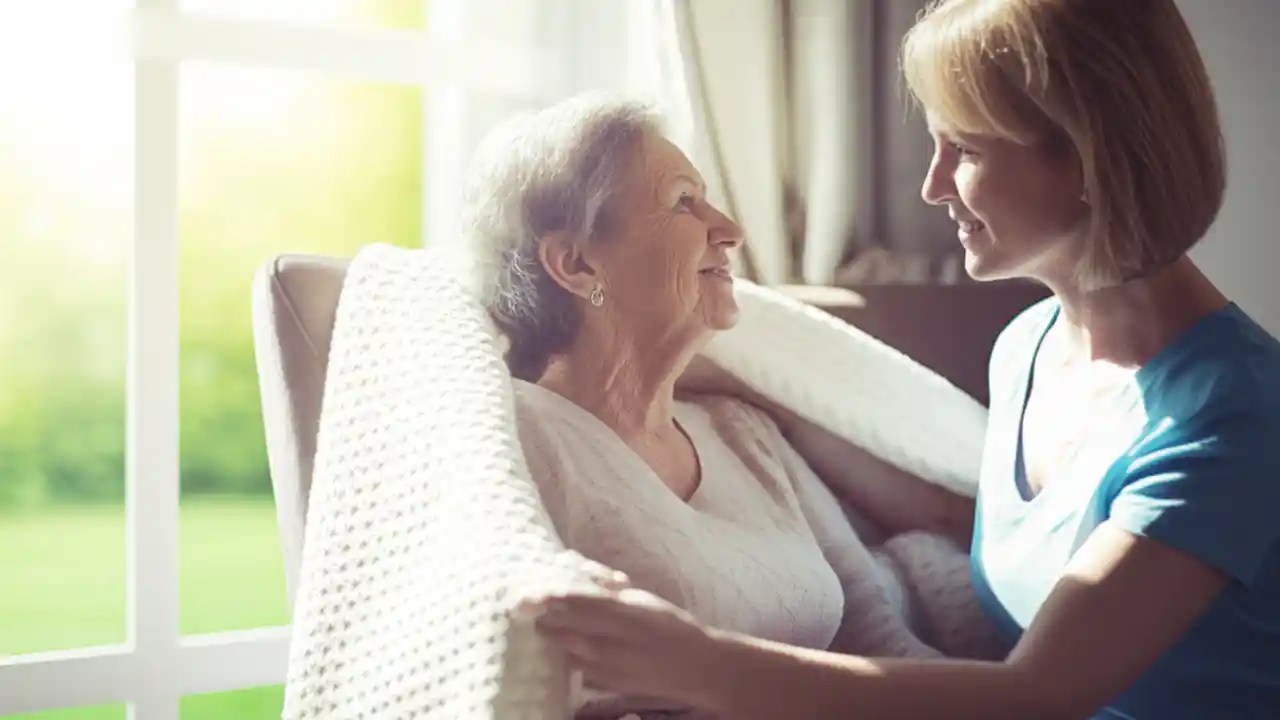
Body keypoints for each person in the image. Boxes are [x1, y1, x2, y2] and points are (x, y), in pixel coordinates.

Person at [526, 1, 1280, 718]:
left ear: (1088, 160)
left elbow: (1035, 699)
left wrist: (698, 662)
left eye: (967, 151)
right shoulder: (1032, 344)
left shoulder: (1234, 419)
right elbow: (968, 519)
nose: (932, 185)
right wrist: (761, 389)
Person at [460, 94, 1005, 717]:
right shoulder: (518, 442)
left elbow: (876, 637)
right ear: (577, 263)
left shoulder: (740, 428)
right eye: (683, 203)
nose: (730, 230)